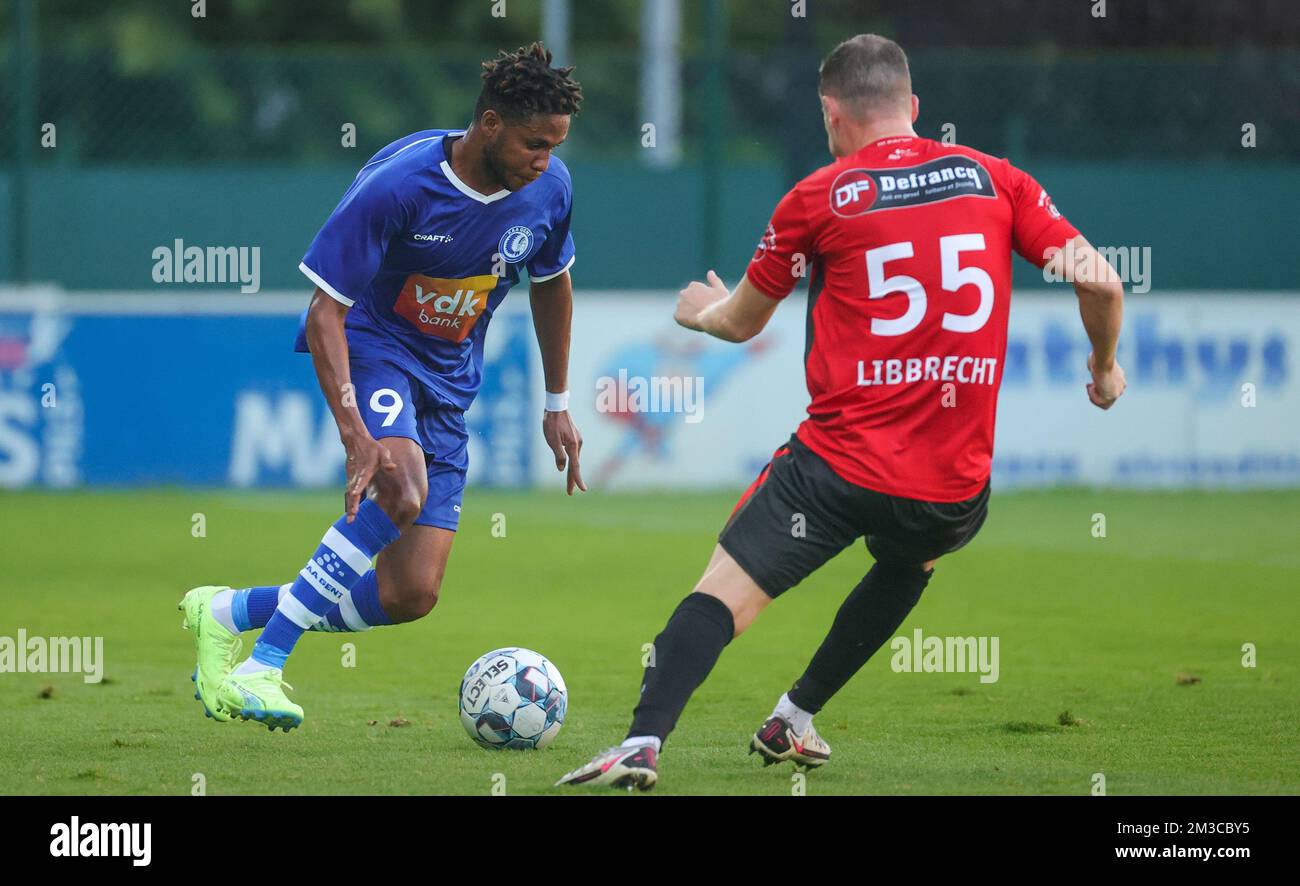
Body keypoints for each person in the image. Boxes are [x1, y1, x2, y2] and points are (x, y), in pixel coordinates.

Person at [557, 33, 1125, 790]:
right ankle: (795, 715)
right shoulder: (998, 181)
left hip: (836, 466)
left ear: (832, 112)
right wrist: (1103, 366)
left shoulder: (820, 195)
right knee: (909, 559)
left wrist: (699, 312)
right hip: (952, 482)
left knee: (724, 592)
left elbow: (741, 324)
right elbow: (1105, 284)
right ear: (914, 107)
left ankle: (642, 744)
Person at [180, 42, 586, 732]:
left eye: (553, 147)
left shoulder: (548, 190)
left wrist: (556, 403)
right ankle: (263, 666)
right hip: (374, 346)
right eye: (532, 144)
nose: (543, 161)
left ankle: (225, 614)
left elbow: (552, 285)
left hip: (450, 380)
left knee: (410, 593)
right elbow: (324, 311)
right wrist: (356, 435)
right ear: (490, 124)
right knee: (400, 486)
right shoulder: (399, 187)